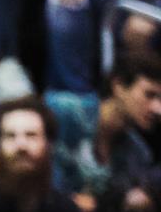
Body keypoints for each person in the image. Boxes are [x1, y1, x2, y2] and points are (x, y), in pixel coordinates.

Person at [49, 48, 161, 200]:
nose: (158, 109)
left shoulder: (138, 154)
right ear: (119, 86)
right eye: (149, 95)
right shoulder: (62, 111)